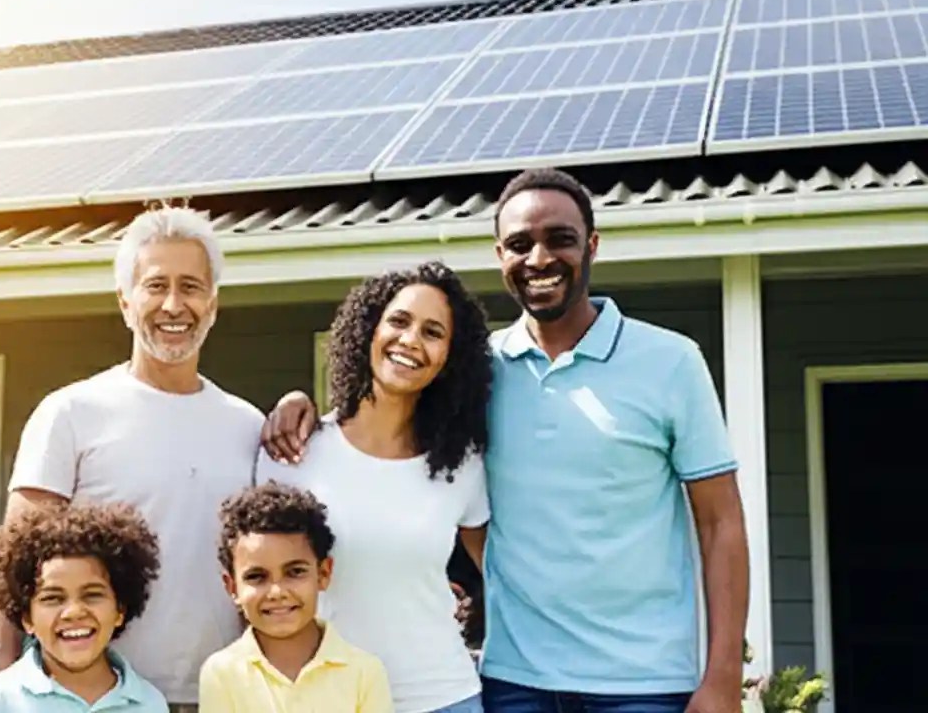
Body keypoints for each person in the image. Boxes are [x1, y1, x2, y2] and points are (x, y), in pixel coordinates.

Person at [263, 169, 751, 713]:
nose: (539, 259)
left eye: (560, 239)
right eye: (520, 244)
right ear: (500, 255)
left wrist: (724, 673)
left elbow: (721, 522)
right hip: (515, 680)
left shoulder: (671, 362)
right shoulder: (476, 372)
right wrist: (299, 404)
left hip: (644, 683)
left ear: (592, 246)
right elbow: (388, 412)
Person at [0, 205, 267, 712]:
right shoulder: (70, 413)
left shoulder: (248, 426)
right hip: (97, 700)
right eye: (156, 286)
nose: (174, 304)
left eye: (191, 287)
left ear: (214, 304)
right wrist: (1, 692)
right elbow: (14, 574)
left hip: (224, 698)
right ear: (125, 302)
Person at [259, 261, 494, 713]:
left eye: (432, 332)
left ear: (450, 357)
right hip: (325, 700)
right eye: (400, 321)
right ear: (369, 329)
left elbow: (501, 573)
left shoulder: (462, 465)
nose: (410, 341)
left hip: (443, 697)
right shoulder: (294, 452)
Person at [199, 481, 393, 713]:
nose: (277, 592)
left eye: (295, 572)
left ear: (323, 573)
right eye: (257, 576)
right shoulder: (222, 672)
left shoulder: (364, 673)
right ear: (232, 586)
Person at [0, 501, 168, 712]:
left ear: (120, 609)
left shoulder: (149, 703)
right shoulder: (1, 700)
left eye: (92, 595)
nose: (74, 612)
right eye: (53, 598)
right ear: (27, 618)